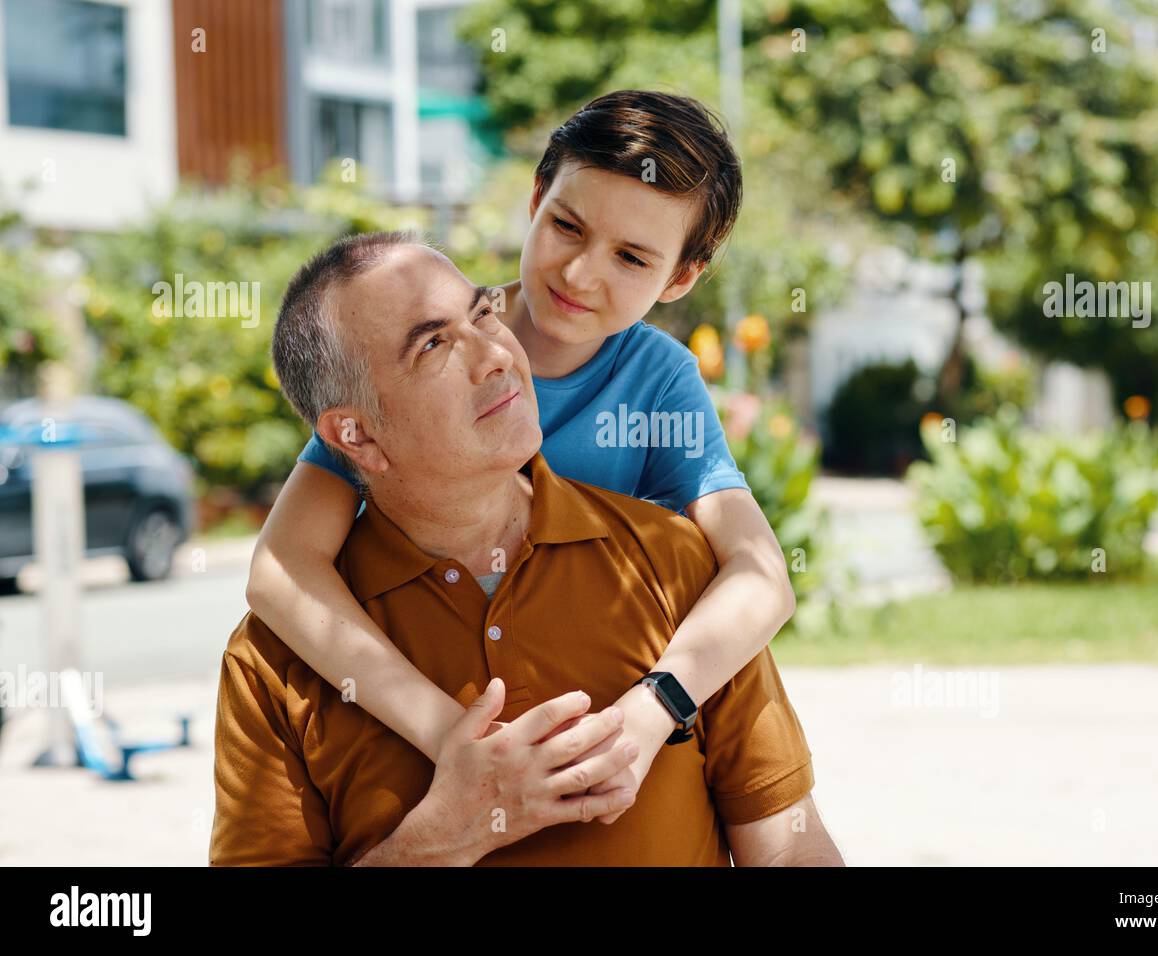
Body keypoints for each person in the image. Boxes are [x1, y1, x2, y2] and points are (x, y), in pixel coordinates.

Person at [245, 91, 796, 820]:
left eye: (631, 257)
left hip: (596, 712)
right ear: (536, 198)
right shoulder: (425, 359)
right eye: (567, 226)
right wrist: (448, 734)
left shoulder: (658, 383)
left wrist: (650, 710)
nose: (579, 275)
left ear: (680, 280)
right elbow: (281, 572)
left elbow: (761, 578)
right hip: (444, 714)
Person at [209, 234, 841, 865]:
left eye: (484, 312)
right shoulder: (273, 660)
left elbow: (791, 851)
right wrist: (441, 838)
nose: (496, 355)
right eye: (433, 344)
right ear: (355, 434)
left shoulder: (679, 568)